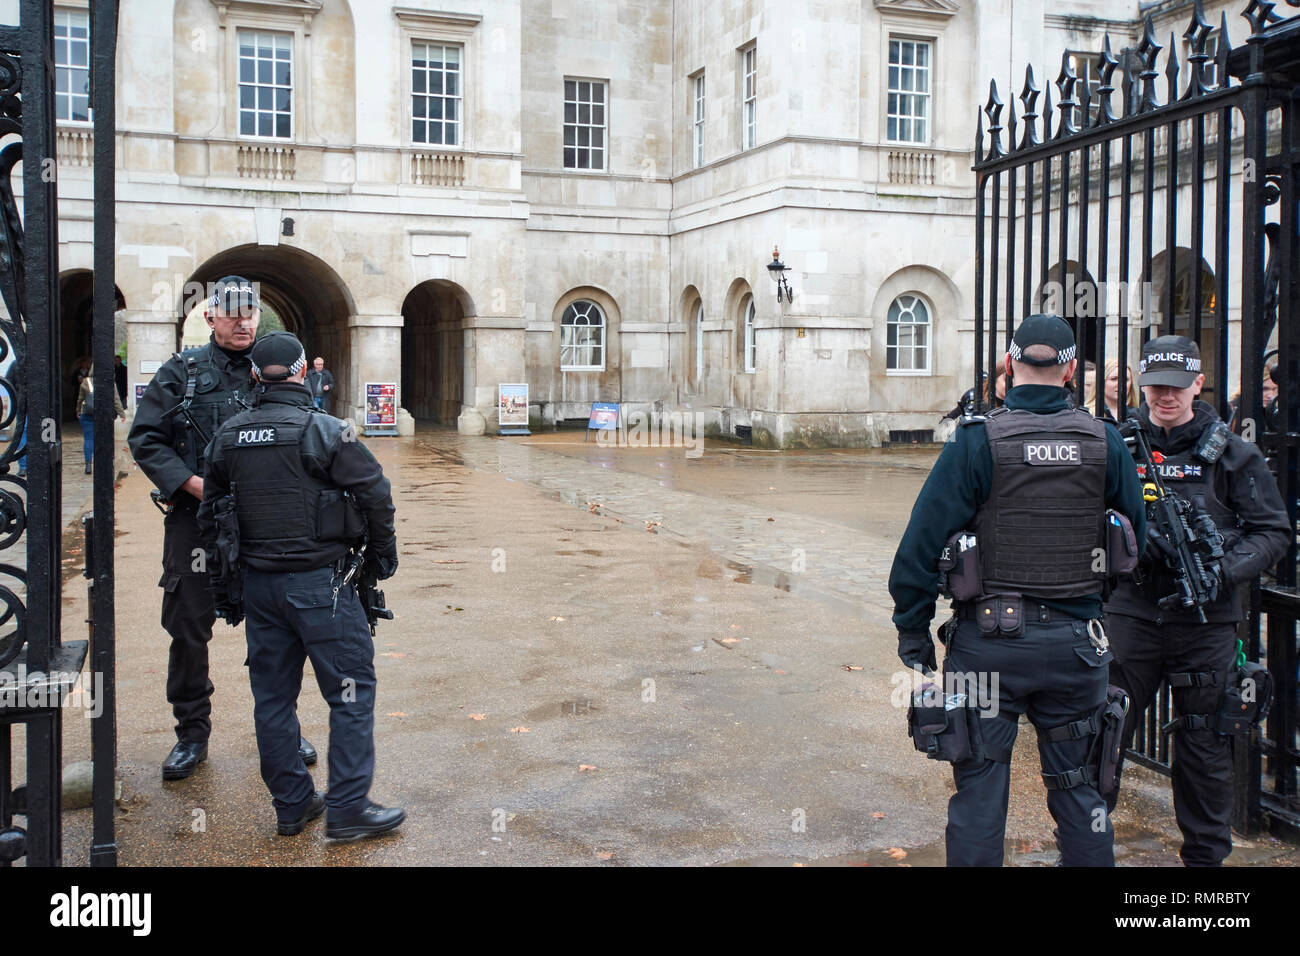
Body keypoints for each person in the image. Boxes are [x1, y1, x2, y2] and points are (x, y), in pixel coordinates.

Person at [888, 313, 1146, 867]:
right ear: (1072, 370)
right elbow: (1134, 538)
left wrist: (912, 629)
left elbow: (920, 543)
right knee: (1081, 791)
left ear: (1009, 364)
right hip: (1079, 646)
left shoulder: (978, 441)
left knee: (980, 790)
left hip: (989, 647)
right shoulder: (1106, 442)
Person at [198, 331, 403, 839]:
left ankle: (291, 806)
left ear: (253, 375)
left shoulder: (228, 436)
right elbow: (377, 497)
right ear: (302, 372)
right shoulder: (331, 433)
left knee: (272, 699)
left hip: (261, 589)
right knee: (351, 695)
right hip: (322, 588)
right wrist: (381, 559)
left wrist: (231, 582)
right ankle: (349, 810)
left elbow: (211, 516)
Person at [1103, 335, 1289, 866]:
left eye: (1176, 388)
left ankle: (1204, 870)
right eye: (1156, 387)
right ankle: (1088, 850)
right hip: (1132, 613)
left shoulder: (1233, 453)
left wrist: (1221, 570)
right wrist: (1130, 540)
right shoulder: (1118, 446)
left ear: (1198, 384)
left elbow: (1273, 532)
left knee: (1207, 749)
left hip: (1206, 622)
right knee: (1103, 735)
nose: (1166, 397)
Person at [128, 276, 316, 780]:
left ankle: (285, 732)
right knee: (188, 629)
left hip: (265, 526)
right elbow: (146, 438)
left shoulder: (276, 370)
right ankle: (192, 734)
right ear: (210, 316)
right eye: (231, 312)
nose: (243, 321)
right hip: (198, 525)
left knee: (278, 631)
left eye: (249, 311)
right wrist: (193, 485)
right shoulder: (182, 372)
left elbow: (309, 434)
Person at [75, 364, 126, 473]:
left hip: (88, 414)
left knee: (88, 439)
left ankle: (88, 465)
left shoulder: (86, 381)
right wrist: (122, 414)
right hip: (104, 414)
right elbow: (116, 400)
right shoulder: (109, 382)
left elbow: (80, 399)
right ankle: (106, 463)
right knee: (105, 438)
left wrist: (78, 411)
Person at [1084, 359, 1139, 423]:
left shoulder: (1138, 415)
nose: (1120, 384)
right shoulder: (1087, 414)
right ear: (1101, 382)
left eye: (1125, 379)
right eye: (1114, 379)